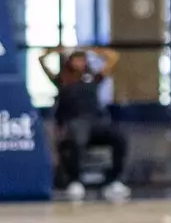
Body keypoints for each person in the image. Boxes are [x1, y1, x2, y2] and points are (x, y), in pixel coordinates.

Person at [40, 46, 130, 201]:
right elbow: (41, 59)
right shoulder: (62, 80)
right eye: (76, 59)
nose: (80, 62)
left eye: (82, 59)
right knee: (77, 137)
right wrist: (58, 51)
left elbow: (113, 56)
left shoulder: (93, 78)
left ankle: (113, 181)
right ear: (70, 62)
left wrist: (89, 49)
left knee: (118, 138)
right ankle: (75, 181)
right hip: (75, 121)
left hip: (96, 120)